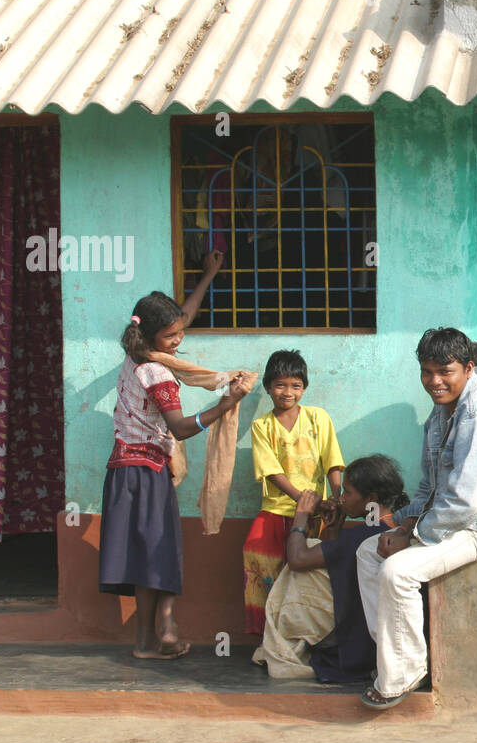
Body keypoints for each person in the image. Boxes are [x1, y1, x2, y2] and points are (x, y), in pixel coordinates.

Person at [356, 327, 477, 709]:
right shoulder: (441, 413)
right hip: (453, 520)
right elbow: (430, 486)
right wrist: (404, 522)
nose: (434, 381)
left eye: (445, 371)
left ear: (469, 369)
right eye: (427, 372)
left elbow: (468, 503)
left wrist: (414, 537)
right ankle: (391, 656)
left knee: (398, 571)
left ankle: (404, 673)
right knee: (368, 552)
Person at [100, 250, 253, 659]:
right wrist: (225, 402)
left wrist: (208, 276)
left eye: (179, 333)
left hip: (122, 470)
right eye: (171, 337)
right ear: (150, 336)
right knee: (159, 550)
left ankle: (146, 643)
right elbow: (181, 427)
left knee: (148, 554)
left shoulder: (136, 358)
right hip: (146, 472)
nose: (179, 340)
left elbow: (181, 315)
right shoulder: (159, 374)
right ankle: (163, 628)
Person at [253, 455, 408, 681]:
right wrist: (335, 526)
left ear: (371, 499)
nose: (342, 498)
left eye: (348, 493)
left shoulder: (361, 537)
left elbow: (297, 559)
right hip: (367, 633)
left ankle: (288, 642)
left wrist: (302, 516)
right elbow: (336, 554)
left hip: (354, 636)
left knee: (301, 568)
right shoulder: (393, 529)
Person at [242, 350, 345, 634]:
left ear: (304, 388)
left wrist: (336, 497)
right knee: (258, 561)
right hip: (276, 509)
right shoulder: (262, 426)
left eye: (295, 386)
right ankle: (268, 635)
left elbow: (332, 460)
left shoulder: (317, 418)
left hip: (317, 514)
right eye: (280, 385)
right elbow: (271, 471)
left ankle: (306, 633)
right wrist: (303, 500)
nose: (288, 392)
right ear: (268, 387)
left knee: (307, 575)